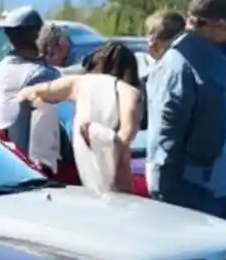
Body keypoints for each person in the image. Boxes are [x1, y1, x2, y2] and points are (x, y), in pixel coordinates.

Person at [146, 0, 226, 225]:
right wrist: (165, 199)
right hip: (192, 194)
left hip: (223, 191)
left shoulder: (215, 58)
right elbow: (164, 140)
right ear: (218, 24)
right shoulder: (177, 66)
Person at [15, 42, 143, 194]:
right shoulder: (131, 93)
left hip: (85, 170)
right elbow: (126, 134)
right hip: (118, 179)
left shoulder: (79, 83)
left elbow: (32, 92)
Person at [0, 6, 62, 164]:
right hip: (36, 166)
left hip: (6, 163)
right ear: (36, 34)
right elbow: (53, 131)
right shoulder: (41, 74)